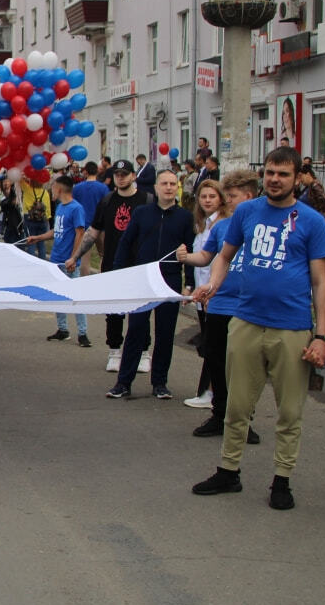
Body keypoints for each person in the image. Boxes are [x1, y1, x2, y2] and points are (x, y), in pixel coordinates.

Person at [191, 147, 325, 511]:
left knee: (289, 412)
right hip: (246, 322)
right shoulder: (248, 212)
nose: (275, 179)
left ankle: (282, 481)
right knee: (236, 406)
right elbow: (224, 255)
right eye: (270, 172)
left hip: (292, 328)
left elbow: (320, 282)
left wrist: (321, 335)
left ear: (297, 177)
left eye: (283, 174)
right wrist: (214, 285)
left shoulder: (312, 221)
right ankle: (228, 471)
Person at [178, 171, 261, 445]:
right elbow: (207, 256)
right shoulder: (222, 226)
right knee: (216, 360)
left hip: (247, 307)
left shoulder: (261, 225)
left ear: (249, 197)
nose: (227, 201)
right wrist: (185, 257)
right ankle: (219, 414)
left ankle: (243, 419)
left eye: (232, 196)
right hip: (219, 305)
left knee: (244, 366)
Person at [104, 170, 194, 399]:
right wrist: (118, 273)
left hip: (170, 280)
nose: (169, 187)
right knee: (136, 330)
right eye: (164, 183)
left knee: (165, 334)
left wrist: (189, 283)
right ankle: (124, 382)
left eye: (173, 184)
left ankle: (160, 383)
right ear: (156, 187)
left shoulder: (184, 217)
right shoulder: (142, 213)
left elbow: (190, 252)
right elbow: (126, 244)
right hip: (143, 278)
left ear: (177, 187)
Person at [67, 160, 153, 372]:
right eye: (117, 174)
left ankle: (143, 352)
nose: (121, 177)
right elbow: (93, 232)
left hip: (139, 265)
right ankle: (115, 350)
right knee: (114, 311)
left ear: (133, 176)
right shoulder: (107, 201)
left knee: (141, 309)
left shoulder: (147, 200)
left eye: (125, 174)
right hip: (114, 263)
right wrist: (75, 256)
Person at [179, 179, 227, 409]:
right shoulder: (202, 225)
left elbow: (218, 261)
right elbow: (199, 259)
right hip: (201, 293)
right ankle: (208, 391)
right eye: (204, 196)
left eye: (212, 196)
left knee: (213, 347)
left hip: (213, 294)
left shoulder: (224, 224)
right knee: (209, 345)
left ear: (221, 199)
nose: (207, 200)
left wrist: (213, 291)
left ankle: (211, 393)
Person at [28, 176, 90, 347]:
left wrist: (73, 257)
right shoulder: (61, 207)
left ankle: (83, 333)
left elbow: (80, 233)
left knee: (75, 297)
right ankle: (63, 329)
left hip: (68, 261)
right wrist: (38, 238)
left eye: (53, 188)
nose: (51, 191)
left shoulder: (76, 208)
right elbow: (57, 231)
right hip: (55, 260)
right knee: (57, 296)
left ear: (60, 189)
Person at [19, 176, 53, 261]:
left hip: (29, 218)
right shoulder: (45, 193)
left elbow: (19, 179)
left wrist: (25, 177)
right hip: (42, 220)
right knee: (41, 242)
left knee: (31, 241)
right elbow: (48, 211)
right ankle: (42, 260)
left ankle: (31, 261)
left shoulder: (27, 189)